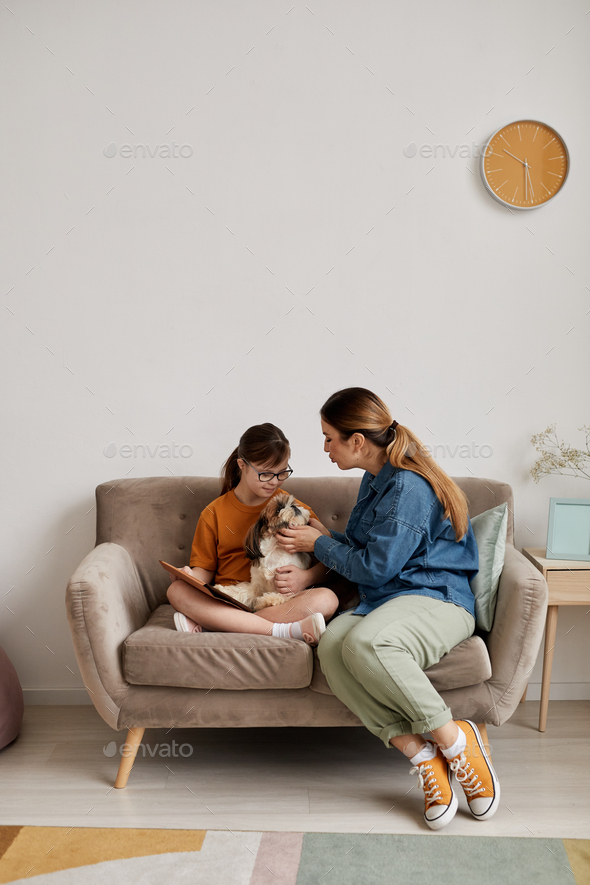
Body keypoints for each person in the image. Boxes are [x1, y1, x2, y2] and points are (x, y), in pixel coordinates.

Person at [276, 388, 500, 830]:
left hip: (436, 597)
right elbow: (370, 553)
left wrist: (316, 543)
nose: (324, 448)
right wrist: (326, 537)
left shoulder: (408, 487)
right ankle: (423, 757)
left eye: (329, 438)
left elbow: (375, 568)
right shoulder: (375, 480)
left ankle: (456, 741)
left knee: (366, 642)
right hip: (389, 598)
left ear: (357, 441)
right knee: (333, 647)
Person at [167, 422, 339, 645]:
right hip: (227, 599)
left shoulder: (290, 508)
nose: (275, 482)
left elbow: (330, 555)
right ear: (242, 465)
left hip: (279, 601)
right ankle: (283, 630)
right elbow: (205, 571)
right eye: (266, 474)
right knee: (177, 590)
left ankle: (217, 625)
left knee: (327, 599)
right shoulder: (214, 513)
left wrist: (307, 577)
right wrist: (189, 577)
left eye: (282, 473)